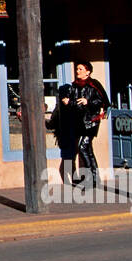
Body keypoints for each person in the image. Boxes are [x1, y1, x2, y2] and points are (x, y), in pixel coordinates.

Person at [69, 60, 109, 189]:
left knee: (82, 147)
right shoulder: (74, 86)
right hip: (79, 121)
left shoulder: (94, 84)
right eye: (77, 69)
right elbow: (74, 103)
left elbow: (103, 101)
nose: (77, 71)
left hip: (91, 121)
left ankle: (90, 180)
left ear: (88, 72)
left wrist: (88, 101)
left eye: (80, 69)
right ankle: (95, 179)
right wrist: (68, 102)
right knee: (88, 150)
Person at [46, 83, 82, 188]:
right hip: (73, 138)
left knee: (67, 162)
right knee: (70, 161)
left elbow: (51, 124)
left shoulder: (61, 108)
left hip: (67, 138)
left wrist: (44, 121)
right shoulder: (74, 106)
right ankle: (75, 182)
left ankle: (73, 183)